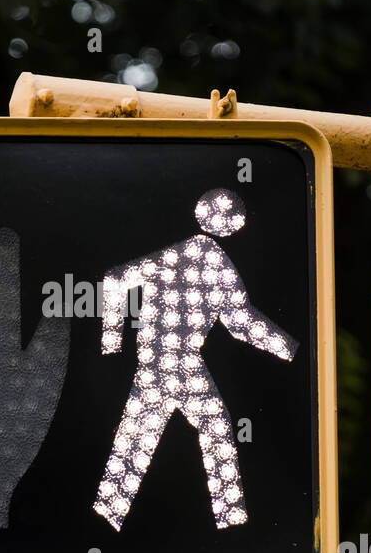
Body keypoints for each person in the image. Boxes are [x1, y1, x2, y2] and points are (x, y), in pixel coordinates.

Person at [94, 188, 297, 532]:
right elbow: (241, 322)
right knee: (201, 430)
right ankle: (230, 523)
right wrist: (111, 342)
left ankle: (110, 515)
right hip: (169, 362)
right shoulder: (189, 259)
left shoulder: (210, 264)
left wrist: (287, 348)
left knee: (155, 434)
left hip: (175, 362)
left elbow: (239, 322)